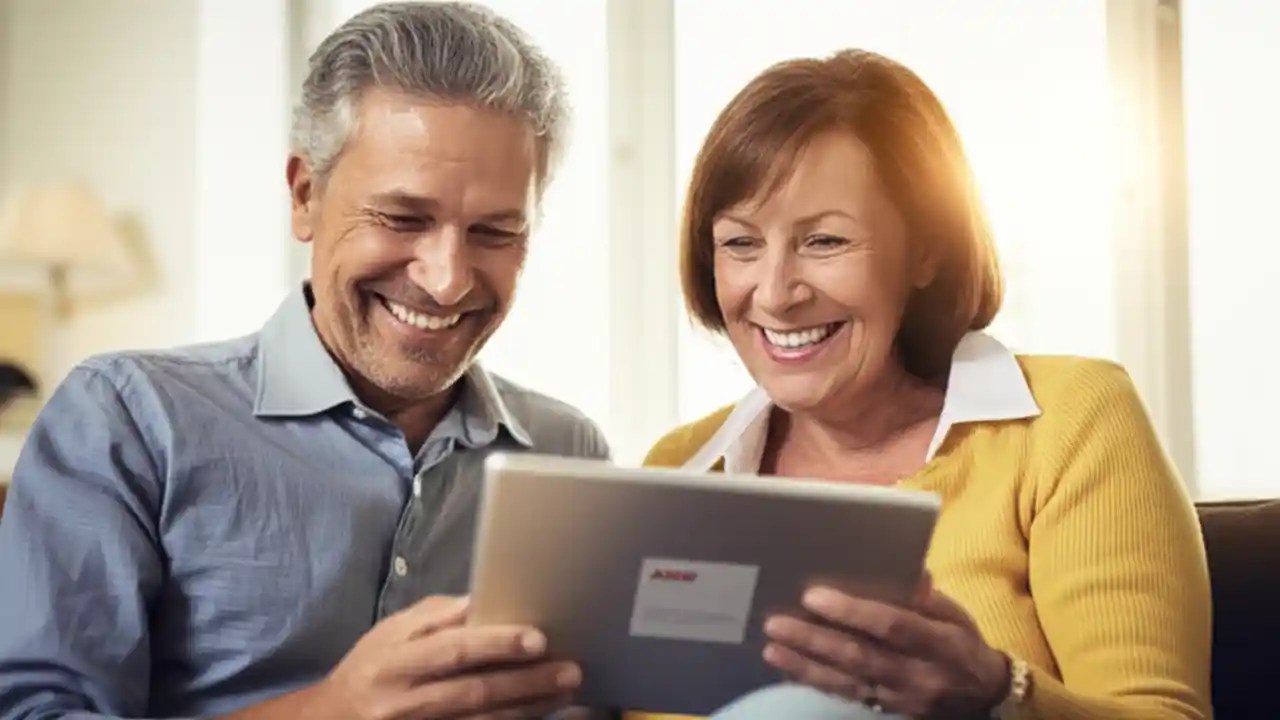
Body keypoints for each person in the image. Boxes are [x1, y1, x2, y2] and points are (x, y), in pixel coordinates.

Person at [0, 3, 609, 719]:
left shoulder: (569, 454)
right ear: (305, 194)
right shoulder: (128, 418)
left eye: (494, 231)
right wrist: (333, 710)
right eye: (402, 218)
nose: (447, 278)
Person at [638, 50, 1213, 719]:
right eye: (740, 244)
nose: (775, 293)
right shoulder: (677, 472)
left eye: (824, 242)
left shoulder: (1072, 420)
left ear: (925, 251)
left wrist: (999, 694)